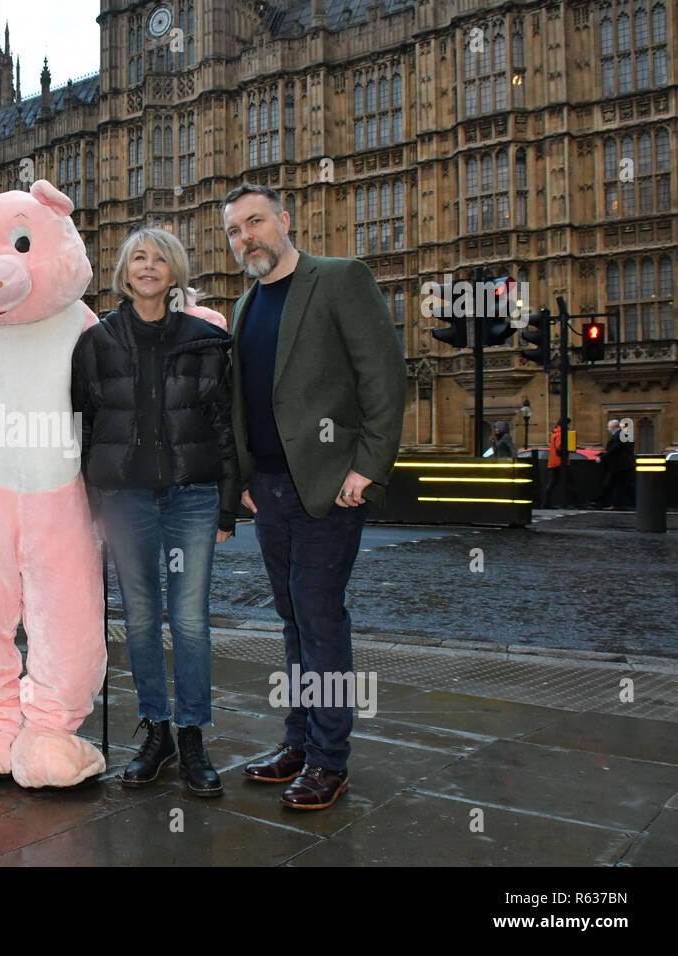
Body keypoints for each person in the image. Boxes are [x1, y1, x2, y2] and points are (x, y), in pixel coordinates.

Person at [224, 183, 406, 811]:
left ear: (285, 220)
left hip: (329, 487)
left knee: (320, 619)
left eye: (256, 222)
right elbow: (247, 401)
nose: (247, 237)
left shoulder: (340, 279)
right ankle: (298, 742)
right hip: (270, 490)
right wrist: (245, 478)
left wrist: (368, 466)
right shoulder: (245, 305)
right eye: (235, 231)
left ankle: (329, 760)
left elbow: (383, 375)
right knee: (294, 619)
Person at [71, 227, 237, 797]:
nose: (148, 267)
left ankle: (192, 734)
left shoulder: (205, 340)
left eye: (160, 259)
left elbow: (223, 426)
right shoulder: (97, 341)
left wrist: (227, 505)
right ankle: (157, 731)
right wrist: (94, 502)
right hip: (127, 500)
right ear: (124, 271)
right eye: (138, 257)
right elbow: (87, 426)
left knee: (190, 621)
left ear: (175, 273)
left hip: (190, 496)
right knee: (140, 620)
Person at [594, 418, 634, 509]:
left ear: (613, 427)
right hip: (622, 465)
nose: (608, 429)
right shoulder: (623, 434)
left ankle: (601, 502)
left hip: (619, 465)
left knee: (612, 484)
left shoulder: (620, 434)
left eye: (609, 427)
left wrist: (602, 457)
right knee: (619, 485)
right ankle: (612, 504)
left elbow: (615, 448)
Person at [544, 423, 576, 508]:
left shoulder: (555, 434)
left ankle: (546, 503)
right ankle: (571, 503)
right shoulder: (560, 434)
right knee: (569, 482)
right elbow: (559, 447)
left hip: (553, 462)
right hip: (560, 462)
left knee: (552, 483)